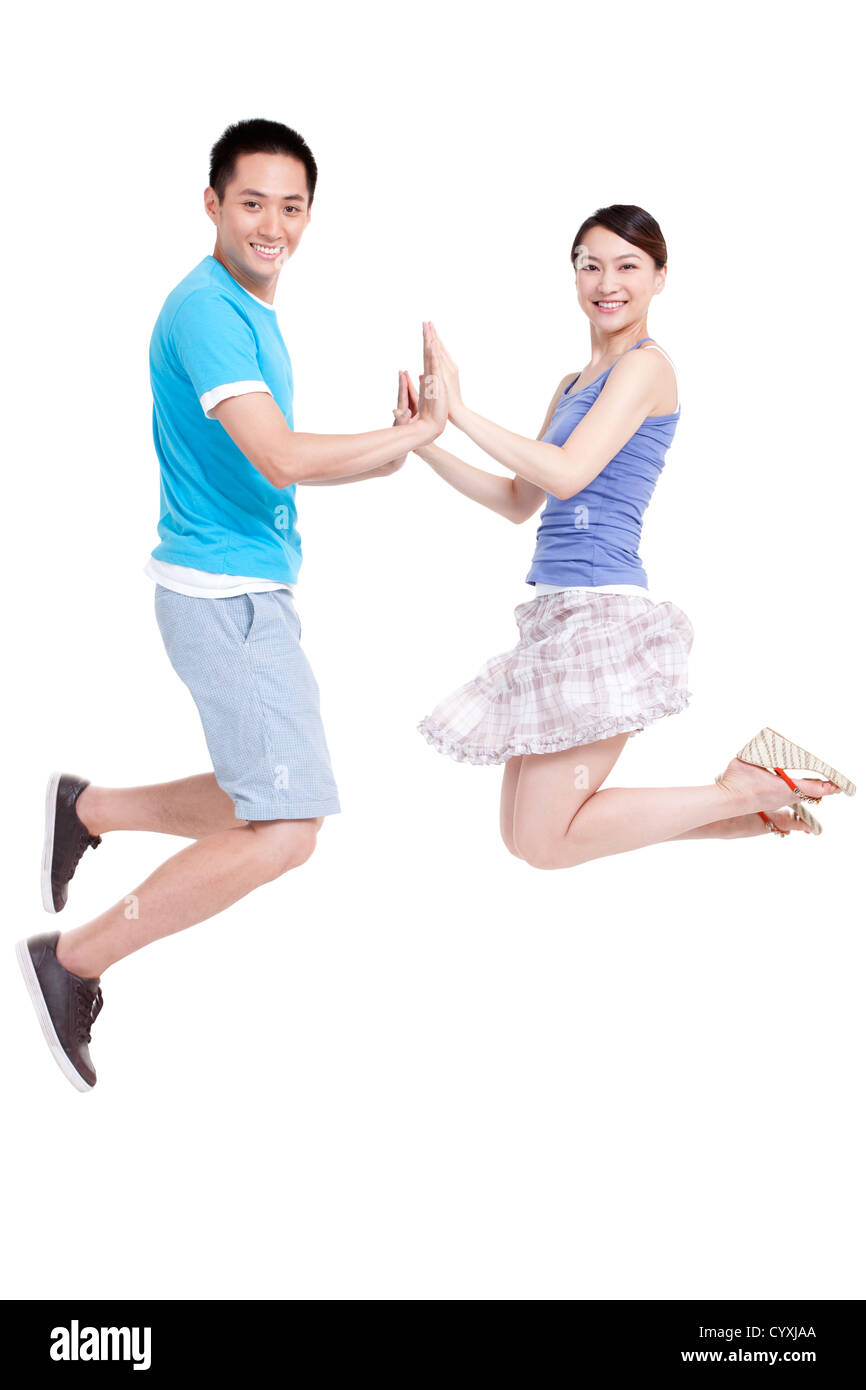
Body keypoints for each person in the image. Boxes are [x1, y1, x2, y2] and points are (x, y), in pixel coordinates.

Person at [17, 118, 446, 1091]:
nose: (273, 224)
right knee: (288, 828)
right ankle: (74, 958)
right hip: (226, 600)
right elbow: (283, 456)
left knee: (276, 789)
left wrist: (397, 443)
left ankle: (88, 809)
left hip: (237, 590)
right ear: (211, 203)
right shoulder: (211, 312)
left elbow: (280, 472)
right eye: (252, 202)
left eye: (291, 206)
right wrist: (412, 439)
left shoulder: (245, 306)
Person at [411, 205, 854, 869]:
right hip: (554, 614)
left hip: (602, 613)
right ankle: (746, 809)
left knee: (541, 840)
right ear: (575, 277)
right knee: (525, 835)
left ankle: (740, 790)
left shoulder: (647, 369)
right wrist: (425, 442)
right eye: (590, 265)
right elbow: (516, 499)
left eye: (627, 266)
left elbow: (566, 475)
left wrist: (463, 411)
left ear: (660, 277)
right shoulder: (571, 384)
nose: (606, 281)